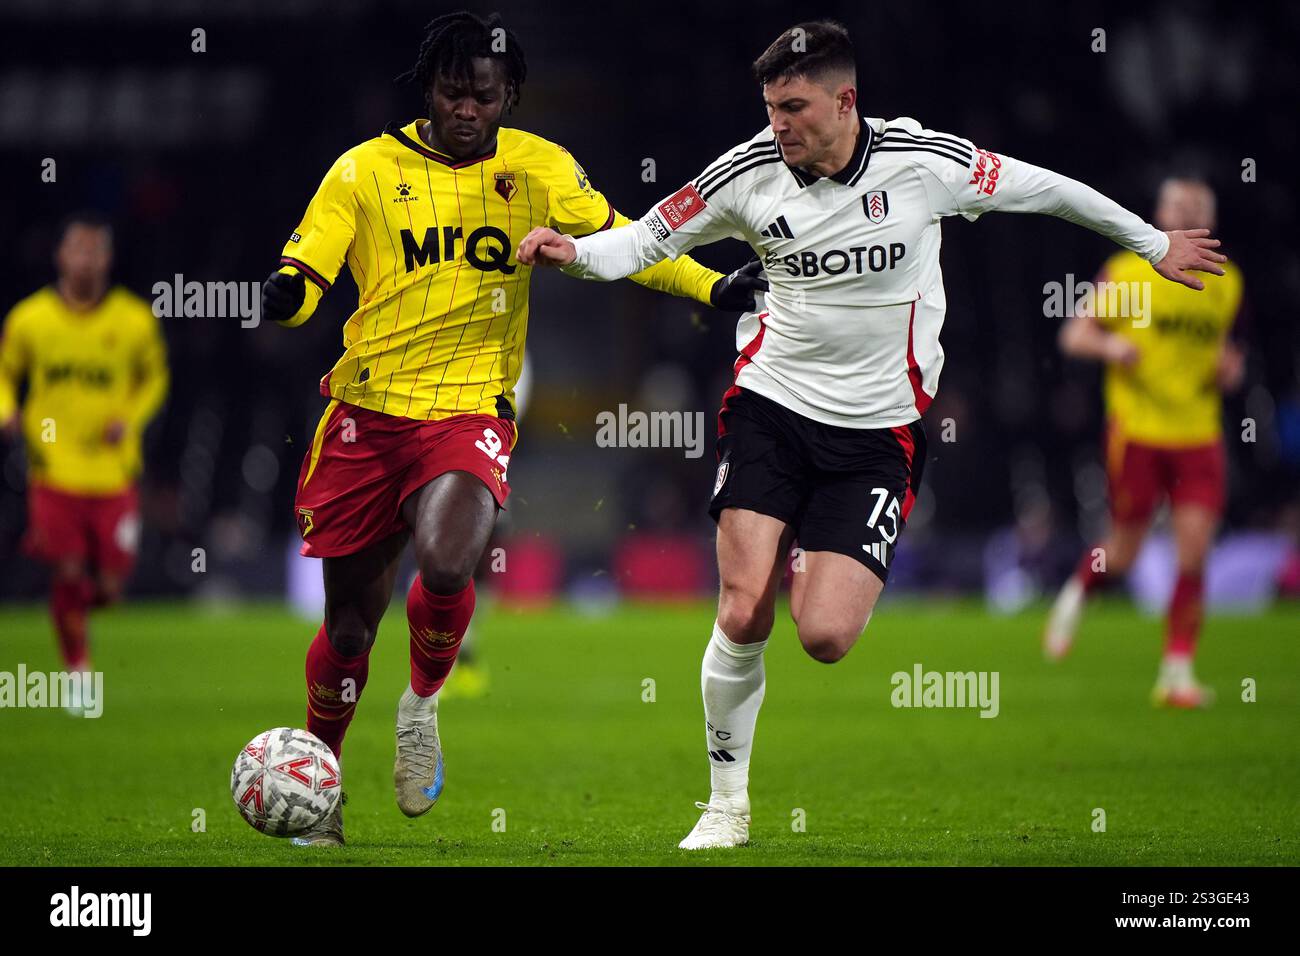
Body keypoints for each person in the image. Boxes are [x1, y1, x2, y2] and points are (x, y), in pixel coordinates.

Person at [517, 20, 1225, 849]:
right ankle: (725, 805)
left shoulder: (925, 165)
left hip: (877, 432)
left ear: (845, 100)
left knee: (824, 636)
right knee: (744, 609)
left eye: (794, 108)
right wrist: (574, 251)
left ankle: (817, 546)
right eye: (771, 108)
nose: (778, 126)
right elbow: (643, 240)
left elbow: (1054, 190)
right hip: (770, 404)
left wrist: (1151, 243)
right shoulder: (745, 172)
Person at [260, 11, 764, 847]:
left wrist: (711, 287)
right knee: (349, 626)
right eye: (454, 93)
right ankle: (321, 781)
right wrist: (289, 300)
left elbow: (626, 239)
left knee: (452, 561)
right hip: (367, 412)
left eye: (484, 97)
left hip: (468, 408)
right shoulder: (362, 173)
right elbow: (306, 267)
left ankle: (420, 707)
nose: (468, 110)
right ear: (429, 89)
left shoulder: (539, 169)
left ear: (508, 96)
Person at [1045, 178, 1245, 708]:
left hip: (1198, 435)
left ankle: (1176, 672)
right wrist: (1114, 347)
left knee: (1194, 553)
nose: (1187, 214)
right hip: (1138, 432)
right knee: (1125, 553)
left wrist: (1228, 370)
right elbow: (1074, 334)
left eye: (1197, 208)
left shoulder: (1226, 283)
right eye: (1178, 206)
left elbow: (1220, 355)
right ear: (1158, 214)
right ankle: (1075, 594)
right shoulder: (1131, 273)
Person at [0, 213, 168, 709]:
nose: (86, 260)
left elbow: (154, 379)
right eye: (78, 250)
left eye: (96, 251)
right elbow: (5, 373)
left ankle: (66, 611)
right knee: (69, 570)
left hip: (114, 470)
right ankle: (77, 670)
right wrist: (8, 411)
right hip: (53, 467)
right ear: (61, 255)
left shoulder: (134, 320)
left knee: (112, 588)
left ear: (107, 259)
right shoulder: (30, 319)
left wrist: (131, 418)